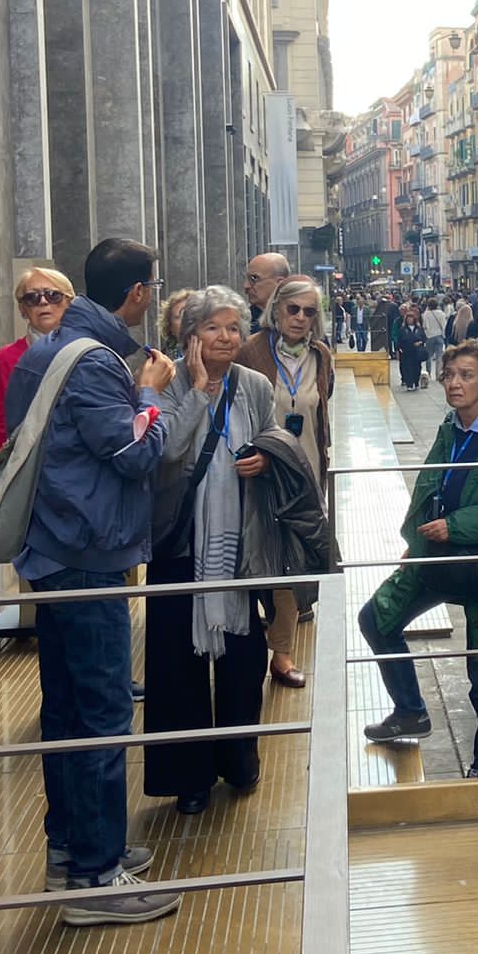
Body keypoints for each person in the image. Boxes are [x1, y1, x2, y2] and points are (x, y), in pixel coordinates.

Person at [4, 238, 180, 925]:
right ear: (137, 293)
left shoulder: (48, 349)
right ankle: (97, 880)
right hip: (88, 552)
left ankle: (73, 849)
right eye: (152, 286)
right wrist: (152, 395)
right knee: (102, 714)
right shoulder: (98, 362)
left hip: (56, 546)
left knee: (69, 711)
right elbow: (136, 452)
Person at [144, 288, 324, 813]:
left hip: (243, 538)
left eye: (233, 328)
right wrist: (198, 391)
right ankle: (189, 776)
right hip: (179, 541)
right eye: (213, 328)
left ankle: (240, 757)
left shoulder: (254, 384)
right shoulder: (166, 381)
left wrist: (266, 458)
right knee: (179, 664)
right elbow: (164, 452)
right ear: (189, 335)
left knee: (243, 658)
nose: (225, 338)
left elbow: (273, 437)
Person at [361, 342, 478, 774]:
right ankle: (410, 710)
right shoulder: (451, 426)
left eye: (466, 375)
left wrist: (455, 526)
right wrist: (421, 540)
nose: (455, 383)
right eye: (449, 374)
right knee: (376, 618)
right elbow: (434, 487)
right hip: (439, 553)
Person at [238, 276, 336, 493]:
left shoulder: (320, 355)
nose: (300, 318)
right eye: (293, 309)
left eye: (309, 312)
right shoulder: (249, 352)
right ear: (276, 309)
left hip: (308, 476)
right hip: (264, 477)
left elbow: (321, 413)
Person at [0, 266, 75, 456]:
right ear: (22, 309)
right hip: (30, 466)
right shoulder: (6, 359)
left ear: (69, 302)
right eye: (32, 298)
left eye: (53, 295)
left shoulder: (89, 350)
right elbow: (0, 428)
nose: (43, 302)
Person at [242, 252, 289, 334]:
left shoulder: (297, 319)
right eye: (247, 278)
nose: (246, 286)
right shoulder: (242, 324)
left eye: (254, 278)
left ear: (279, 283)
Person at [396, 304, 428, 391]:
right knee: (407, 368)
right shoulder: (403, 329)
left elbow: (424, 338)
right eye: (408, 318)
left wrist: (420, 342)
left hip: (416, 352)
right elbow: (399, 341)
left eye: (411, 318)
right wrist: (399, 350)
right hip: (406, 352)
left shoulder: (418, 329)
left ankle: (416, 382)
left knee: (417, 368)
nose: (410, 320)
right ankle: (409, 383)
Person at [422, 296, 449, 370]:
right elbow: (444, 325)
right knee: (439, 356)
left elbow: (424, 326)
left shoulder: (426, 314)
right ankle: (438, 374)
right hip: (440, 336)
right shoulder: (441, 313)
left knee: (428, 356)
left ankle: (428, 372)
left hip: (429, 336)